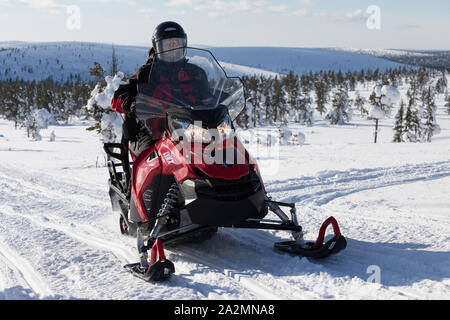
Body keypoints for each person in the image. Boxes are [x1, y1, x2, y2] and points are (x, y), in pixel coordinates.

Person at [111, 21, 210, 158]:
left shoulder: (196, 73)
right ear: (158, 47)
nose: (172, 47)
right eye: (168, 43)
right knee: (153, 158)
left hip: (195, 128)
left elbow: (209, 96)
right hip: (154, 129)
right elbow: (119, 95)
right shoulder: (146, 73)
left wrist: (221, 100)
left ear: (183, 45)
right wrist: (130, 102)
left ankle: (243, 177)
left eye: (176, 43)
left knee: (226, 149)